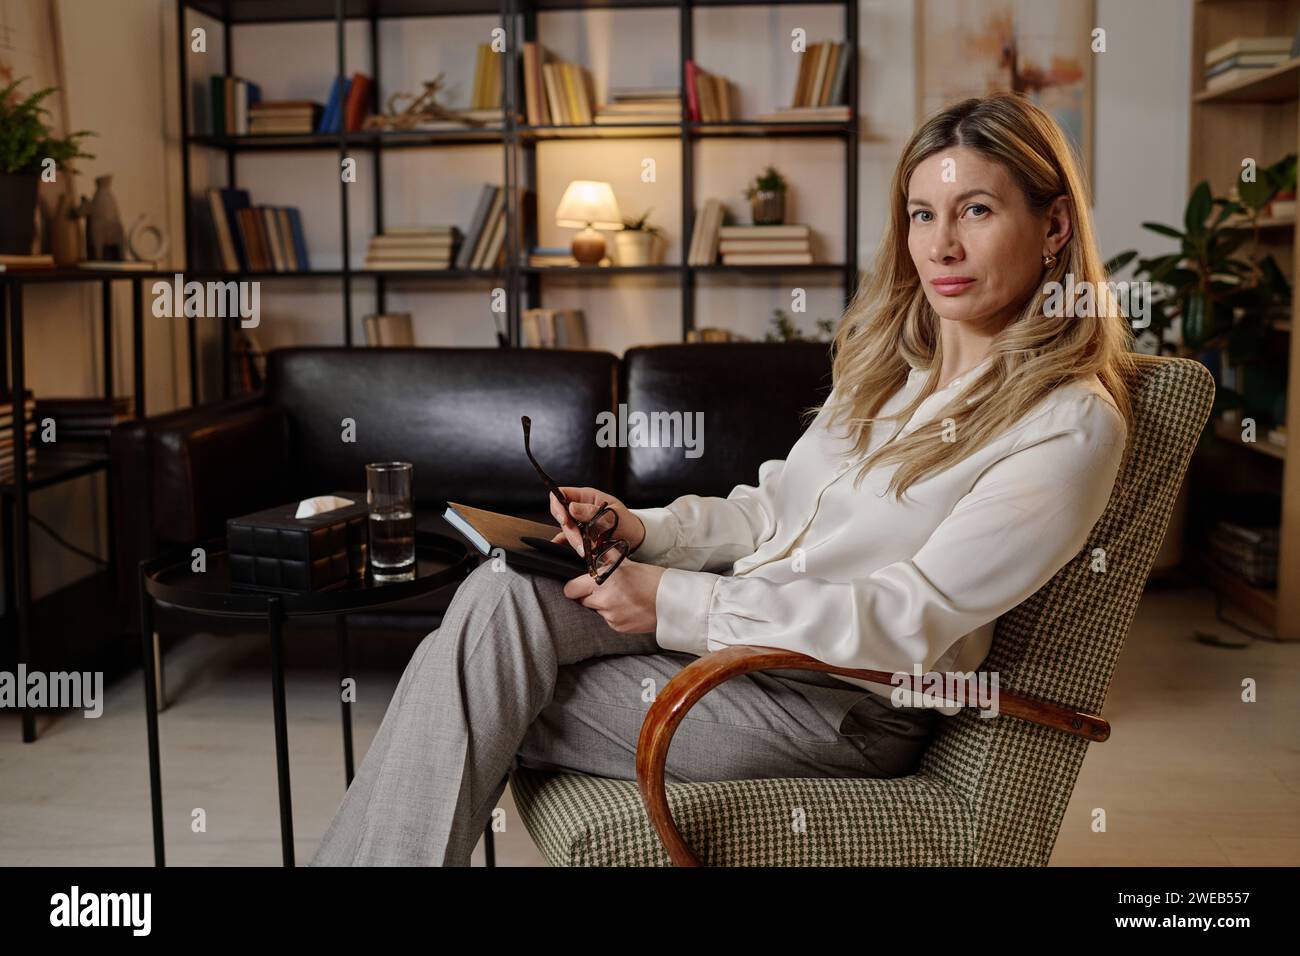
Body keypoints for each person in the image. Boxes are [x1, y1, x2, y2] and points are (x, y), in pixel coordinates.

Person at [311, 92, 1132, 866]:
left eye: (976, 211)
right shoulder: (891, 374)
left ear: (1054, 225)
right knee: (503, 592)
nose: (941, 246)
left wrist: (672, 600)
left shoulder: (1065, 425)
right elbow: (772, 513)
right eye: (923, 215)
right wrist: (642, 530)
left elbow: (904, 622)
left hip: (836, 705)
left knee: (468, 680)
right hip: (748, 643)